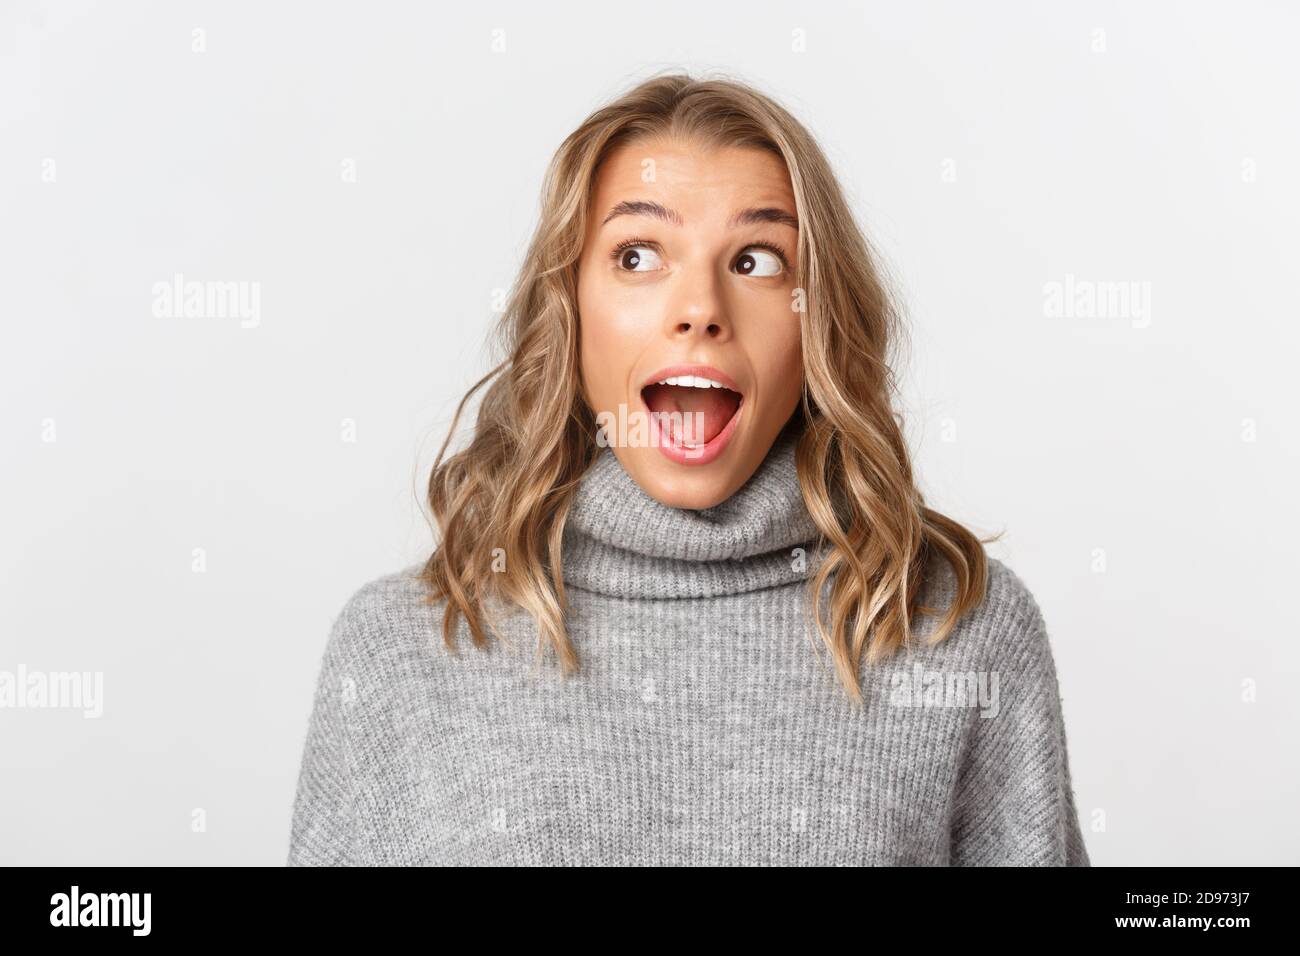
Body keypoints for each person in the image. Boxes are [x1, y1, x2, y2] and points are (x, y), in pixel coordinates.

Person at [288, 71, 1089, 866]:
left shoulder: (961, 631)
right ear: (567, 310)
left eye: (757, 261)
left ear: (817, 322)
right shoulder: (399, 649)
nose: (700, 306)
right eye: (637, 255)